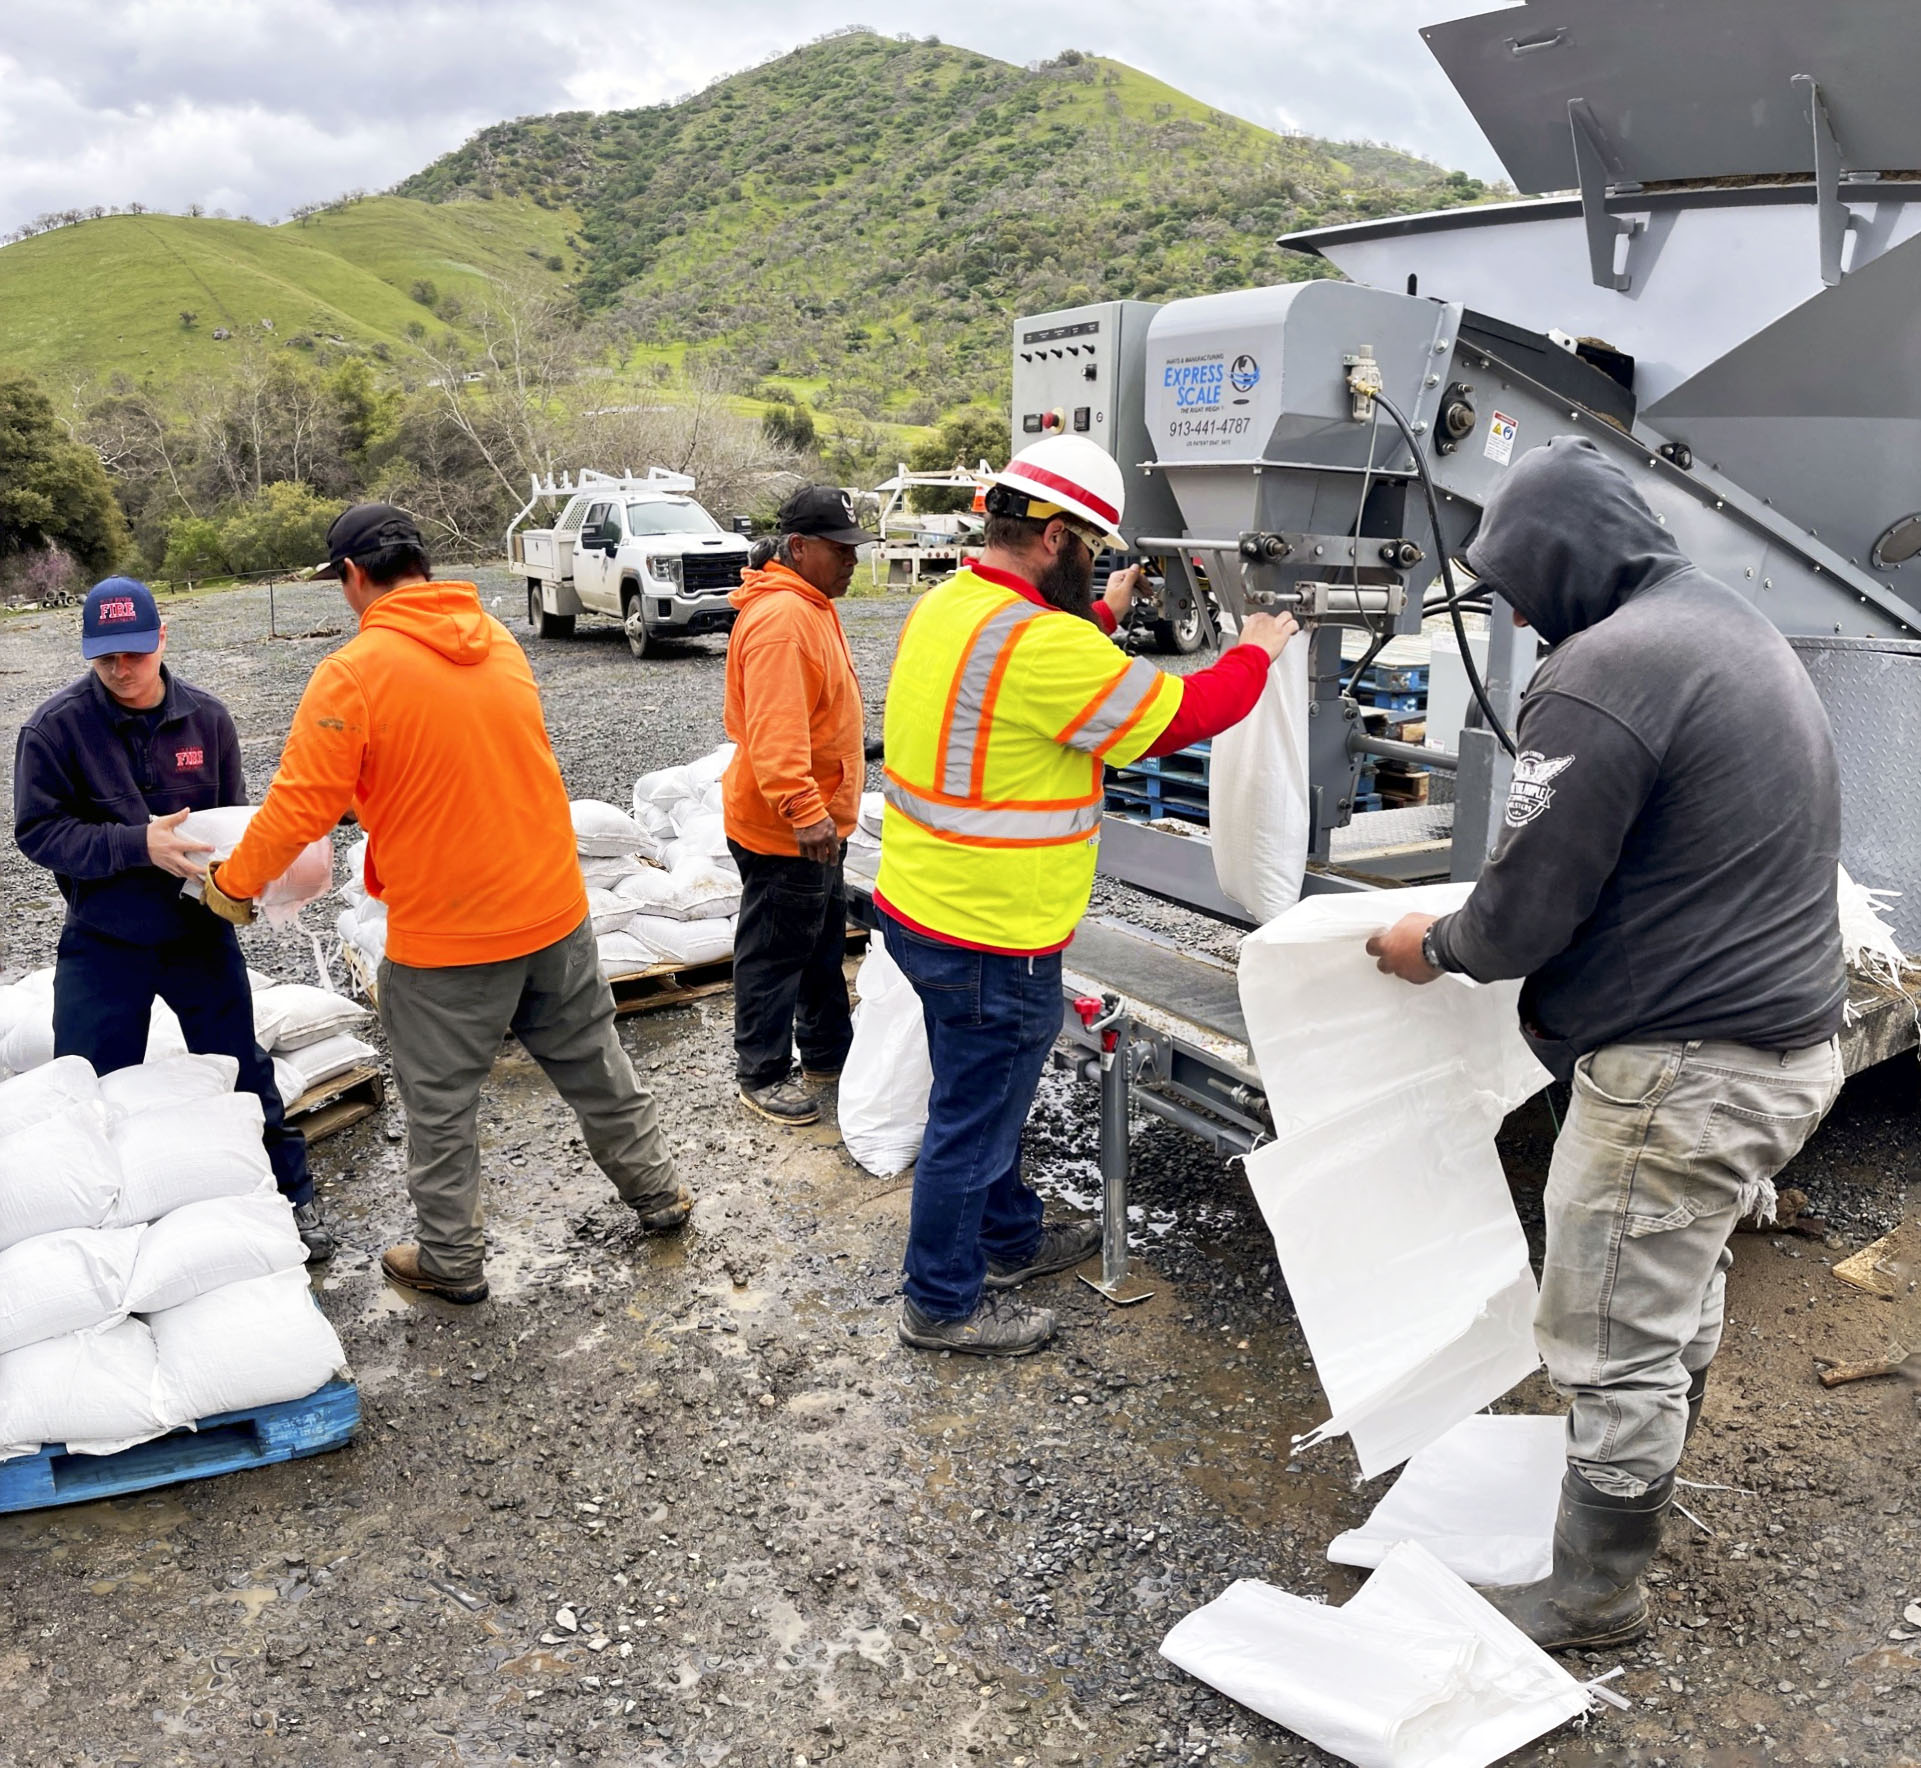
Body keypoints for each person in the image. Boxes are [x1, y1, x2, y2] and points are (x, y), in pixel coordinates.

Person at [1366, 437, 1845, 1652]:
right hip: (1784, 1044)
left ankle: (1593, 1595)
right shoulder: (1725, 627)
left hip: (1681, 1067)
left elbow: (1527, 908)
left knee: (1608, 1324)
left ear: (1565, 560)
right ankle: (1643, 1483)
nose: (1517, 612)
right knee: (1671, 1283)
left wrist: (1434, 943)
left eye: (1519, 581)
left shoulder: (1604, 672)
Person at [200, 504, 691, 1305]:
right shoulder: (495, 639)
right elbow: (469, 756)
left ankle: (451, 1261)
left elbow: (297, 808)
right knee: (597, 1066)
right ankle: (658, 1194)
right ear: (422, 565)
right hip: (554, 908)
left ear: (354, 577)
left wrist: (232, 884)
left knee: (440, 1105)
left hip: (452, 934)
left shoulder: (354, 671)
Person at [876, 435, 1298, 1356]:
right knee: (971, 1123)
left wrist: (1100, 616)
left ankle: (1009, 1240)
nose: (1101, 566)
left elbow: (1031, 685)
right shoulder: (1043, 644)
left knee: (976, 1097)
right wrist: (1259, 650)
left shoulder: (950, 605)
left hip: (922, 908)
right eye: (1095, 550)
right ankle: (940, 1304)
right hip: (994, 934)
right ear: (1057, 536)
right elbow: (1178, 716)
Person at [12, 577, 331, 1260]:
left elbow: (234, 822)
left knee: (243, 1069)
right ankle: (108, 1231)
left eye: (133, 653)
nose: (121, 670)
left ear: (160, 638)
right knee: (90, 1086)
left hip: (197, 932)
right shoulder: (54, 728)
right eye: (105, 658)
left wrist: (252, 888)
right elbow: (38, 833)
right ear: (87, 651)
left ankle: (293, 1196)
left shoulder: (207, 720)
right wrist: (137, 843)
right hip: (105, 937)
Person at [723, 486, 873, 1126]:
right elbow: (776, 731)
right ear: (799, 547)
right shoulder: (784, 619)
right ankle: (759, 1073)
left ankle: (826, 1052)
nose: (852, 562)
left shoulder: (808, 603)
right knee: (776, 949)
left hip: (811, 819)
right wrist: (804, 810)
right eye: (839, 550)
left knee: (816, 943)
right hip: (787, 827)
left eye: (855, 549)